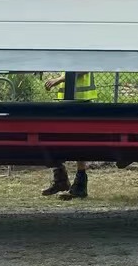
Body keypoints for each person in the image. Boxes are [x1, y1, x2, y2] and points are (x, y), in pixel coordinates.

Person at [40, 71, 96, 200]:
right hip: (68, 101)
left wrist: (58, 80)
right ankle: (60, 178)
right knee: (56, 137)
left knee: (79, 141)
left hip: (81, 101)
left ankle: (79, 185)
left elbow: (83, 69)